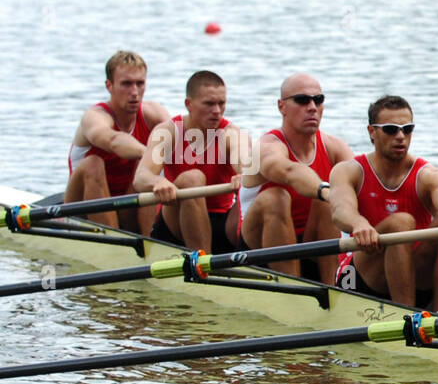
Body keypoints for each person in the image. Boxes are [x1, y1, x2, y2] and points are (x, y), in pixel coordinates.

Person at [329, 96, 438, 310]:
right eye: (390, 129)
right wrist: (358, 224)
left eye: (407, 129)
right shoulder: (348, 171)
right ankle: (404, 317)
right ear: (372, 132)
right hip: (362, 277)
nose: (400, 136)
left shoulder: (429, 175)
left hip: (416, 275)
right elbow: (341, 210)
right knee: (400, 223)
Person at [239, 74, 353, 282]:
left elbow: (362, 189)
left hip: (313, 241)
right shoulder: (266, 147)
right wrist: (326, 192)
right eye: (302, 100)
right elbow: (289, 171)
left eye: (318, 100)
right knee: (276, 197)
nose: (312, 107)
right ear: (281, 106)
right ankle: (290, 286)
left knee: (331, 203)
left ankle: (334, 289)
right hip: (260, 244)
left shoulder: (335, 147)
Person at [134, 70, 249, 254]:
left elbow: (244, 158)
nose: (217, 111)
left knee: (267, 196)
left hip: (222, 223)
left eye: (221, 103)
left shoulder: (231, 134)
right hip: (176, 224)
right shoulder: (168, 132)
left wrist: (245, 174)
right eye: (209, 104)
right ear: (189, 104)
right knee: (192, 179)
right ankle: (202, 265)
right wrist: (158, 181)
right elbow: (140, 178)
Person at [66, 51, 170, 231]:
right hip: (81, 209)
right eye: (126, 84)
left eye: (140, 83)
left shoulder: (154, 114)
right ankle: (112, 240)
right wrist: (149, 153)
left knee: (149, 166)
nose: (135, 92)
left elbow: (184, 145)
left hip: (128, 207)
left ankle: (151, 241)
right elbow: (114, 141)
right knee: (93, 163)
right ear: (109, 86)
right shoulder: (95, 117)